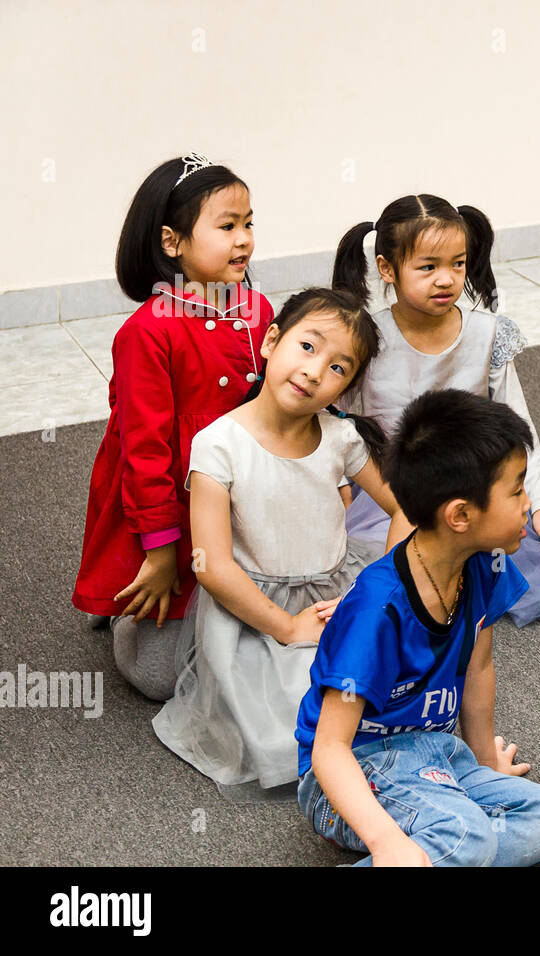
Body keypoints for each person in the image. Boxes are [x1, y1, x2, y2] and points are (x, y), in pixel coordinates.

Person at [295, 389, 540, 866]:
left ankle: (444, 852)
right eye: (517, 489)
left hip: (439, 758)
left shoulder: (488, 565)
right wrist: (385, 842)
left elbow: (479, 668)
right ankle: (438, 850)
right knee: (467, 835)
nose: (529, 503)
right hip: (356, 769)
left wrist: (486, 765)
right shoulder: (376, 609)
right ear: (460, 515)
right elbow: (330, 750)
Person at [152, 289, 408, 799]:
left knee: (392, 689)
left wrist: (381, 589)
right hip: (256, 608)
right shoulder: (219, 445)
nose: (315, 372)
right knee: (291, 726)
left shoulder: (341, 438)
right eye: (308, 347)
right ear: (272, 340)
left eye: (339, 368)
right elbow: (213, 566)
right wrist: (288, 627)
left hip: (338, 589)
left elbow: (405, 508)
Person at [332, 194, 540, 624]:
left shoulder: (486, 333)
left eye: (457, 263)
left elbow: (519, 426)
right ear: (387, 268)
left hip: (473, 487)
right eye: (428, 267)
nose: (446, 279)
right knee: (385, 578)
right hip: (394, 495)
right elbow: (340, 430)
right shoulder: (366, 338)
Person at [72, 154, 274, 700]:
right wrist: (161, 554)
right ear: (171, 241)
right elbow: (144, 452)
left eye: (249, 223)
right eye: (227, 226)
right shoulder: (146, 334)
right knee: (163, 680)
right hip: (167, 507)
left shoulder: (258, 311)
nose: (244, 239)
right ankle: (122, 613)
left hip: (237, 496)